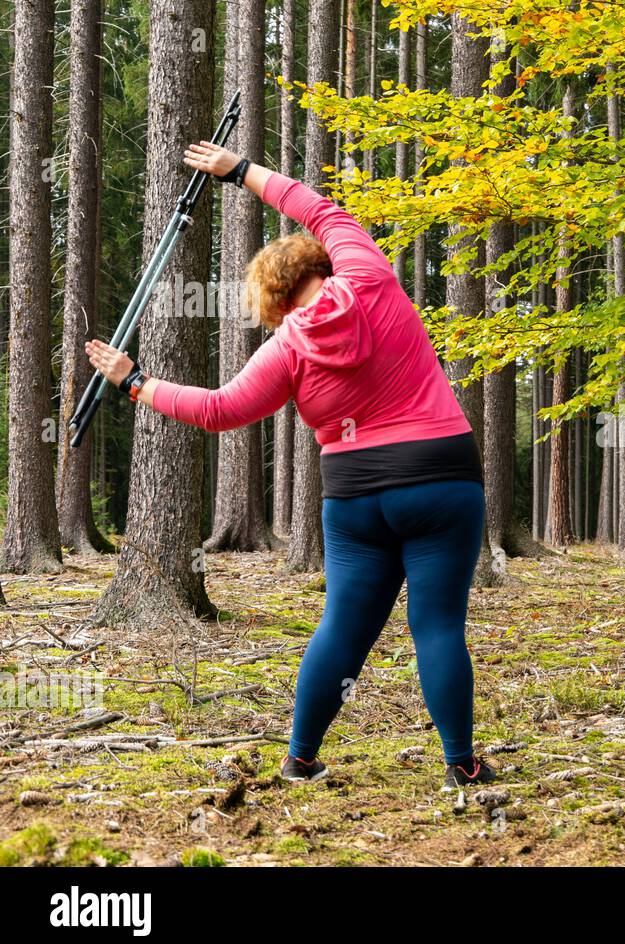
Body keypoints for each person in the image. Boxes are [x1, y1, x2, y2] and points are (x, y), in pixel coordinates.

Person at [86, 141, 496, 789]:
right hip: (441, 475)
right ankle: (462, 766)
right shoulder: (368, 276)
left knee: (343, 628)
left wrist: (136, 382)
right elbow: (321, 207)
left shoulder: (288, 348)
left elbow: (221, 410)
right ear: (320, 262)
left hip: (357, 497)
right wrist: (240, 171)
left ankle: (301, 757)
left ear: (275, 301)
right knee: (438, 624)